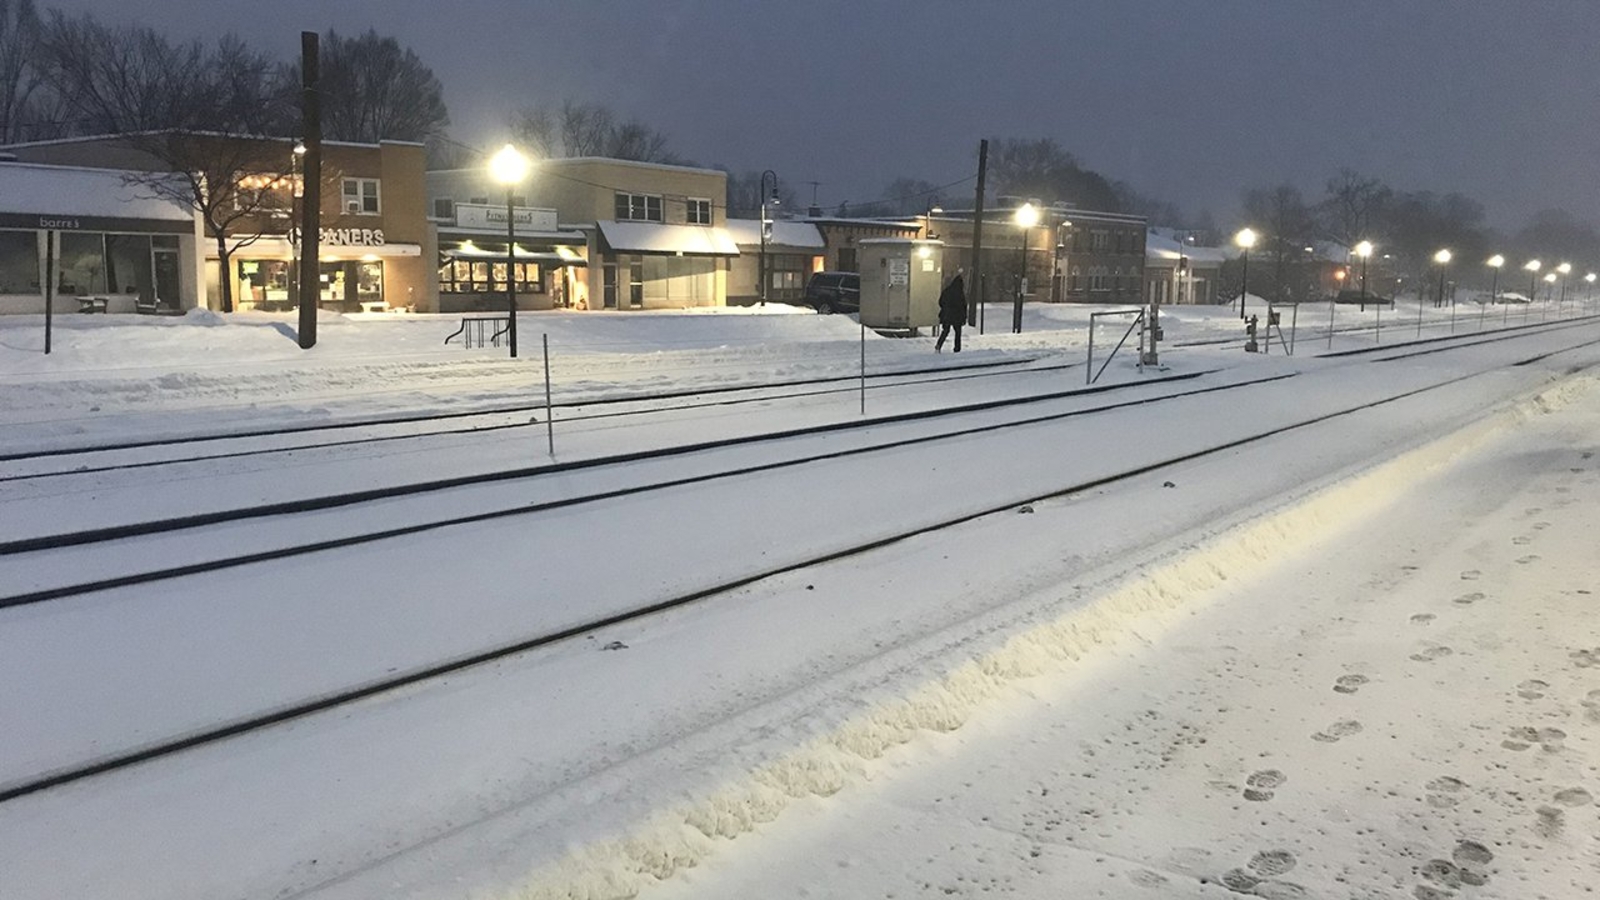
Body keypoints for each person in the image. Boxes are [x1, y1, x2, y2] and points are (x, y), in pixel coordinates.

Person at [935, 269, 967, 352]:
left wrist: (945, 308)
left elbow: (941, 302)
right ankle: (957, 348)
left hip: (947, 315)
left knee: (945, 331)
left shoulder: (947, 290)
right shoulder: (960, 294)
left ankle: (939, 345)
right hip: (957, 316)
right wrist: (964, 317)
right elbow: (963, 306)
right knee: (958, 332)